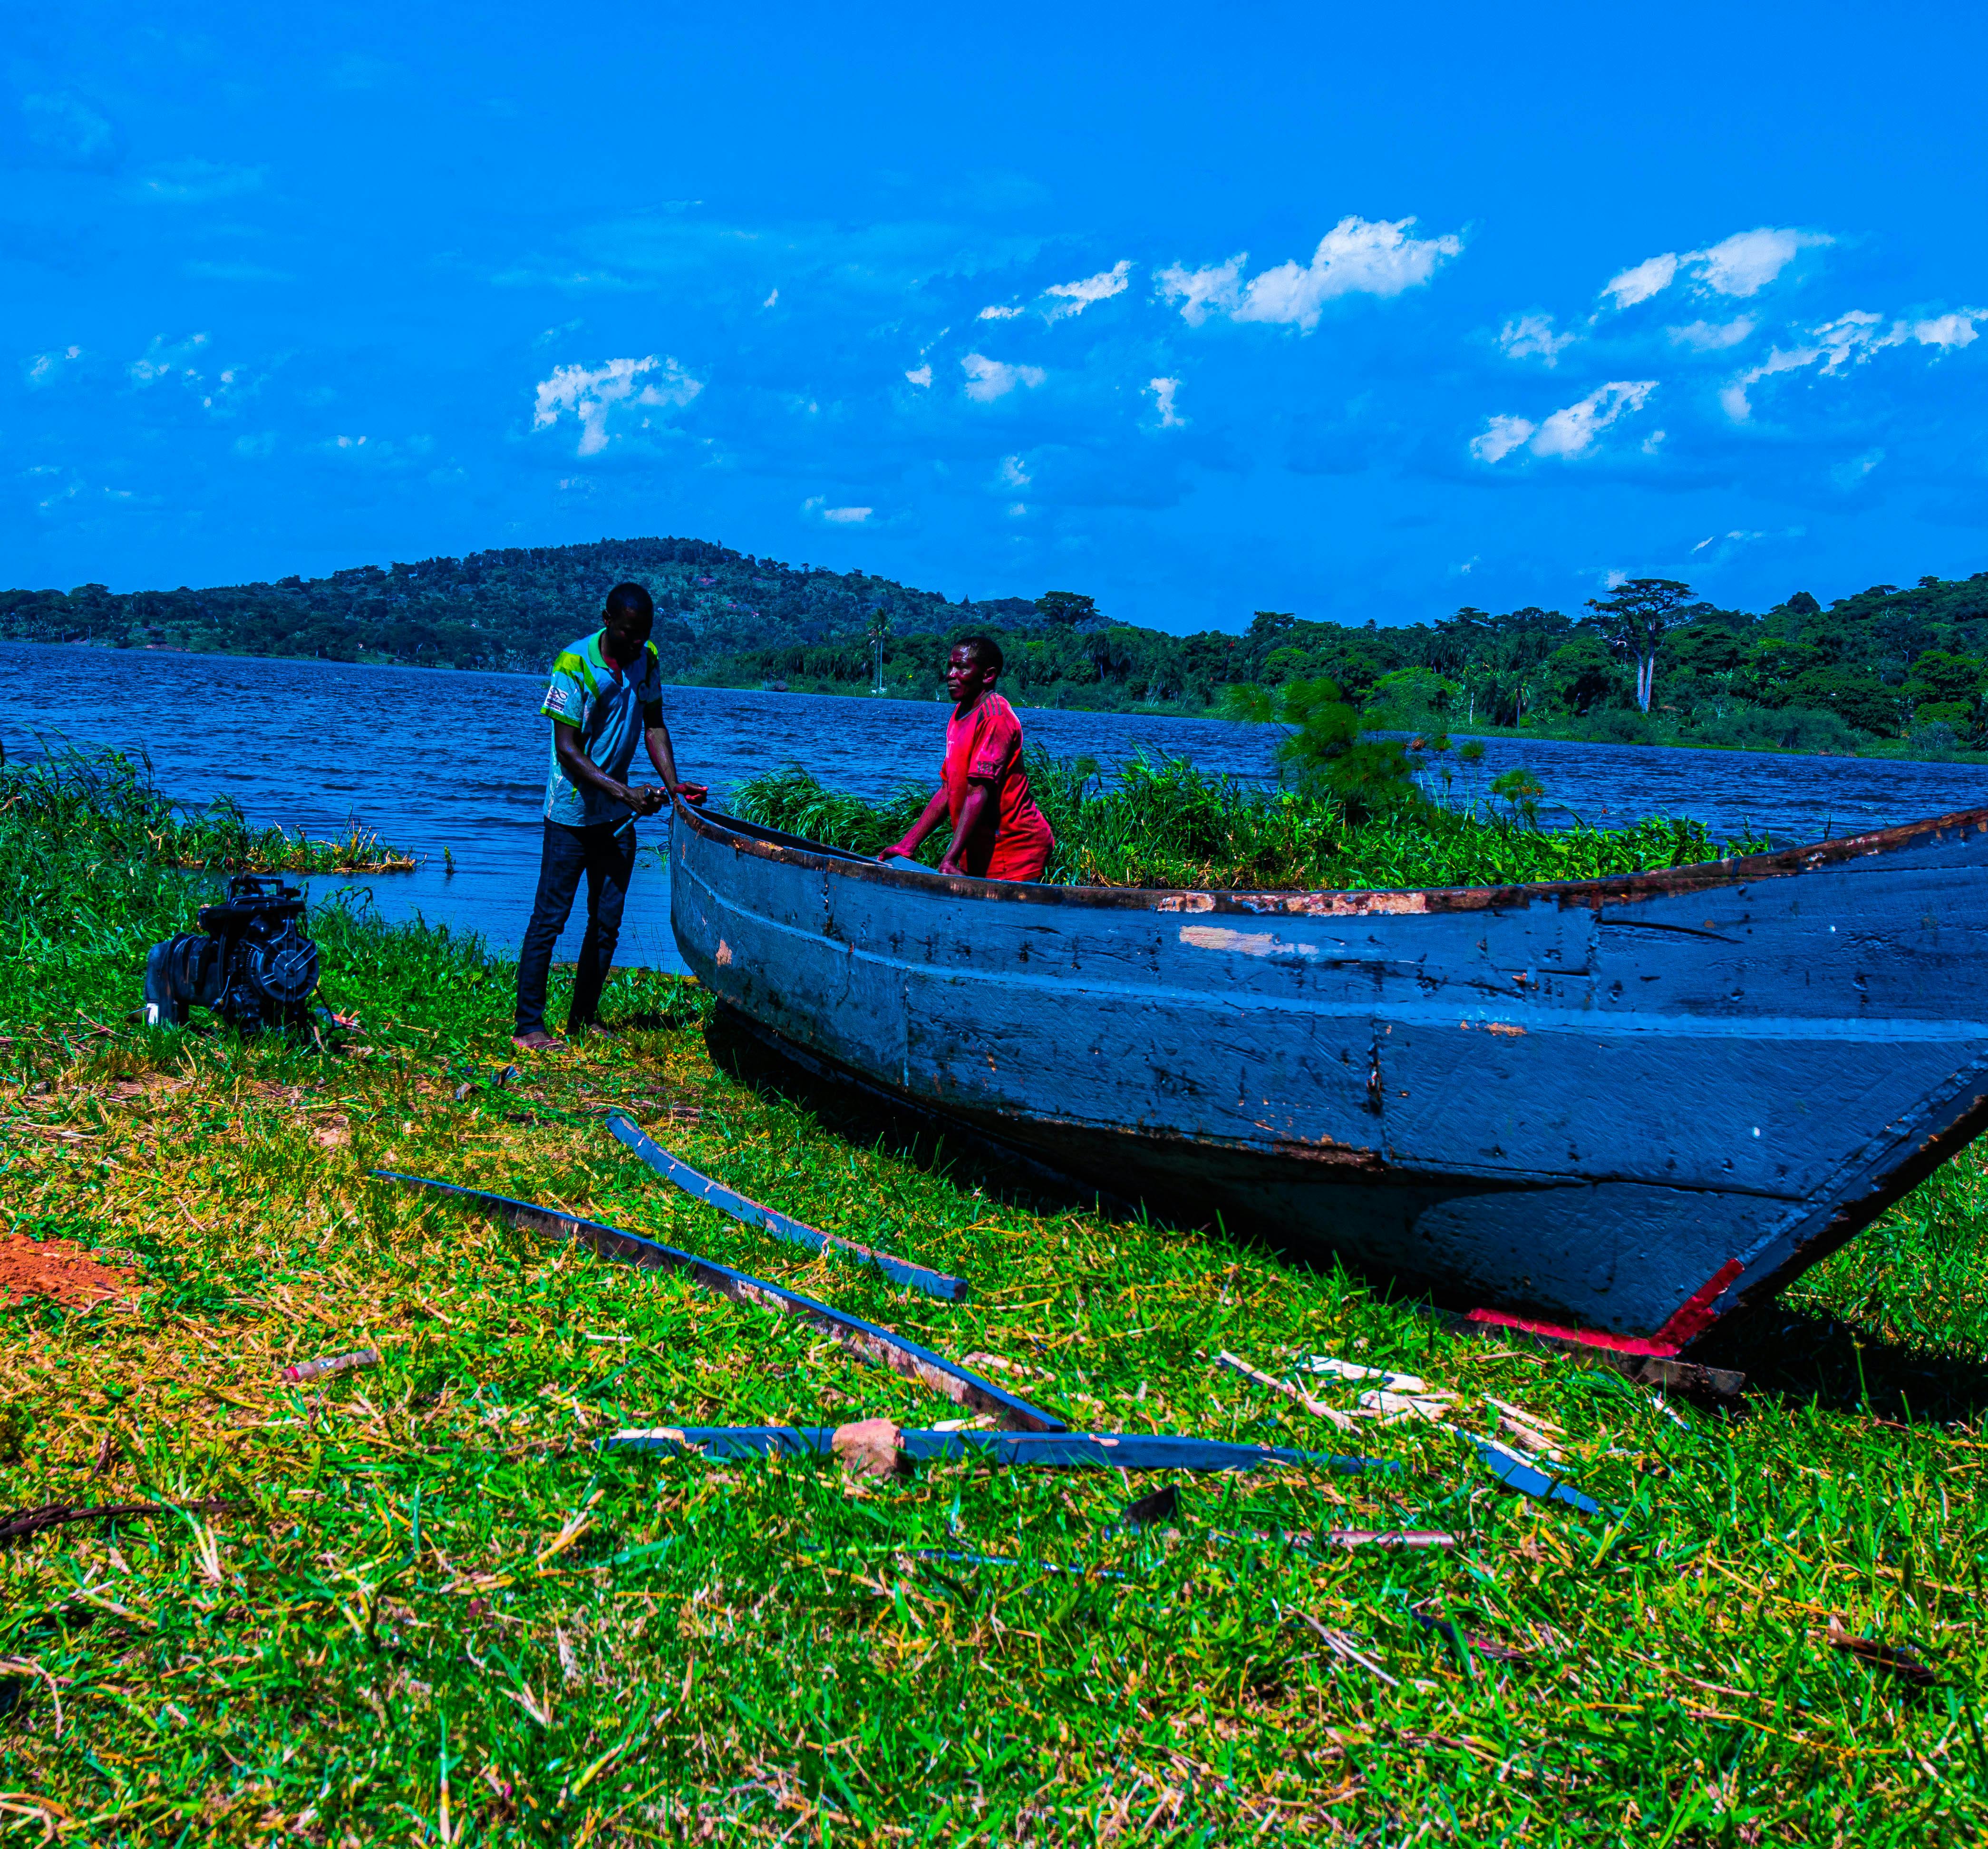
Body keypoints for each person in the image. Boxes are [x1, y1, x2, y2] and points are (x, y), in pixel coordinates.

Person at [513, 583, 706, 1051]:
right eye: (626, 634)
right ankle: (528, 1027)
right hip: (571, 816)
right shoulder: (573, 665)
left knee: (606, 921)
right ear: (606, 619)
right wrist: (626, 792)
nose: (635, 643)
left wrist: (673, 785)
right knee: (550, 920)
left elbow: (655, 724)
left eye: (642, 635)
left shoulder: (647, 659)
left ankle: (582, 1019)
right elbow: (567, 752)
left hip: (616, 818)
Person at [879, 635, 1055, 880]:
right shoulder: (960, 713)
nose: (951, 675)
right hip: (980, 847)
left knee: (998, 915)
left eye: (961, 668)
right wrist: (907, 845)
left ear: (988, 676)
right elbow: (948, 788)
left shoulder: (996, 717)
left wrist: (949, 858)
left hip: (1015, 848)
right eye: (950, 666)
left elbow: (978, 792)